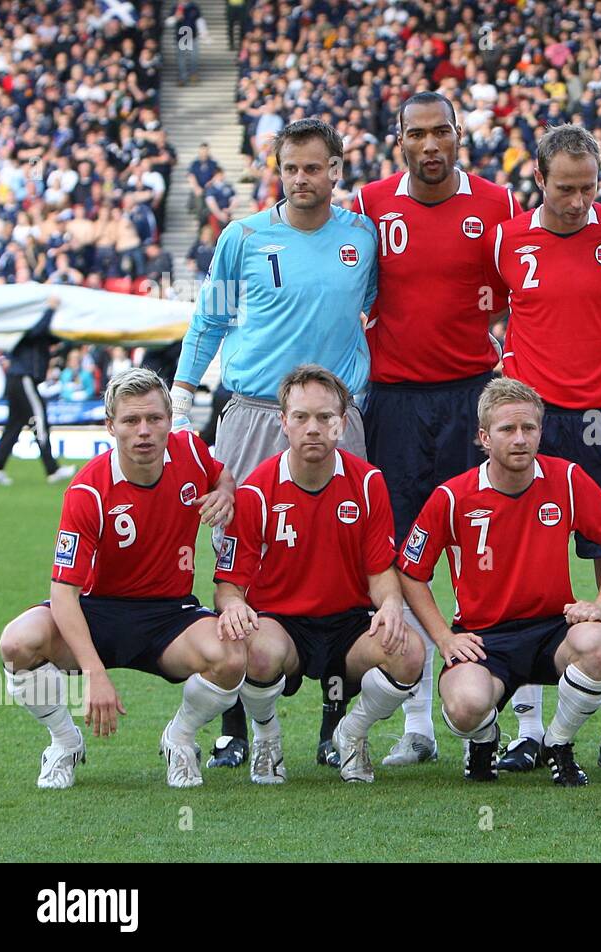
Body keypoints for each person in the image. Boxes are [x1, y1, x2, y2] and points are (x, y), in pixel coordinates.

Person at [172, 116, 378, 770]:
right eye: (291, 168)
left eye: (314, 167)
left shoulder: (361, 237)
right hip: (254, 413)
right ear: (278, 170)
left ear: (335, 169)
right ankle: (237, 721)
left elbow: (374, 310)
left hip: (335, 416)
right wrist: (182, 394)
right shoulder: (244, 237)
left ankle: (335, 718)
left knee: (341, 557)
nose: (302, 179)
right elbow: (211, 317)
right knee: (236, 556)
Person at [486, 124, 601, 774]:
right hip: (532, 423)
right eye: (564, 188)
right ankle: (529, 732)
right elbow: (479, 310)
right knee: (520, 577)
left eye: (587, 187)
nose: (576, 201)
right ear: (538, 179)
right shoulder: (508, 239)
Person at [353, 92, 521, 769]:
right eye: (416, 133)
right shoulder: (368, 205)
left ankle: (499, 715)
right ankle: (416, 722)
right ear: (398, 141)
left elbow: (517, 294)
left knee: (482, 549)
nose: (430, 145)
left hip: (471, 394)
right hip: (392, 400)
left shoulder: (499, 205)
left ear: (460, 137)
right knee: (401, 554)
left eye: (441, 132)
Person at [0, 369, 244, 789]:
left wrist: (225, 492)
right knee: (17, 643)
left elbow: (220, 474)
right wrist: (94, 673)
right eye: (131, 421)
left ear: (171, 419)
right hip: (96, 612)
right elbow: (63, 593)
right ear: (110, 426)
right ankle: (63, 741)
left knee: (232, 656)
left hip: (170, 614)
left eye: (154, 419)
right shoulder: (87, 490)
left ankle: (179, 739)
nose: (144, 431)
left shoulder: (190, 451)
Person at [396, 378, 601, 786]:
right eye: (507, 429)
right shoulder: (453, 496)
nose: (520, 439)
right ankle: (485, 740)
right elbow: (411, 570)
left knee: (598, 644)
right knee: (465, 706)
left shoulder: (566, 479)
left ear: (541, 432)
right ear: (484, 437)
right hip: (483, 636)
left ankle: (557, 743)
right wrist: (443, 638)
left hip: (551, 630)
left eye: (529, 428)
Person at [213, 366, 422, 784]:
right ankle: (267, 738)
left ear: (343, 424)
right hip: (282, 624)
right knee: (253, 650)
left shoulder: (368, 483)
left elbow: (380, 571)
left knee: (409, 652)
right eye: (301, 417)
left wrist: (393, 604)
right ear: (283, 422)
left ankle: (351, 733)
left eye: (325, 418)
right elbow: (229, 584)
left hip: (347, 624)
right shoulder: (256, 490)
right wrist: (234, 605)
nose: (314, 428)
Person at [0, 296, 75, 487]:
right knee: (40, 420)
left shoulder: (31, 331)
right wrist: (51, 310)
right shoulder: (25, 327)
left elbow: (49, 336)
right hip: (23, 378)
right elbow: (38, 331)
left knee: (14, 425)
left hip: (19, 378)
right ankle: (52, 469)